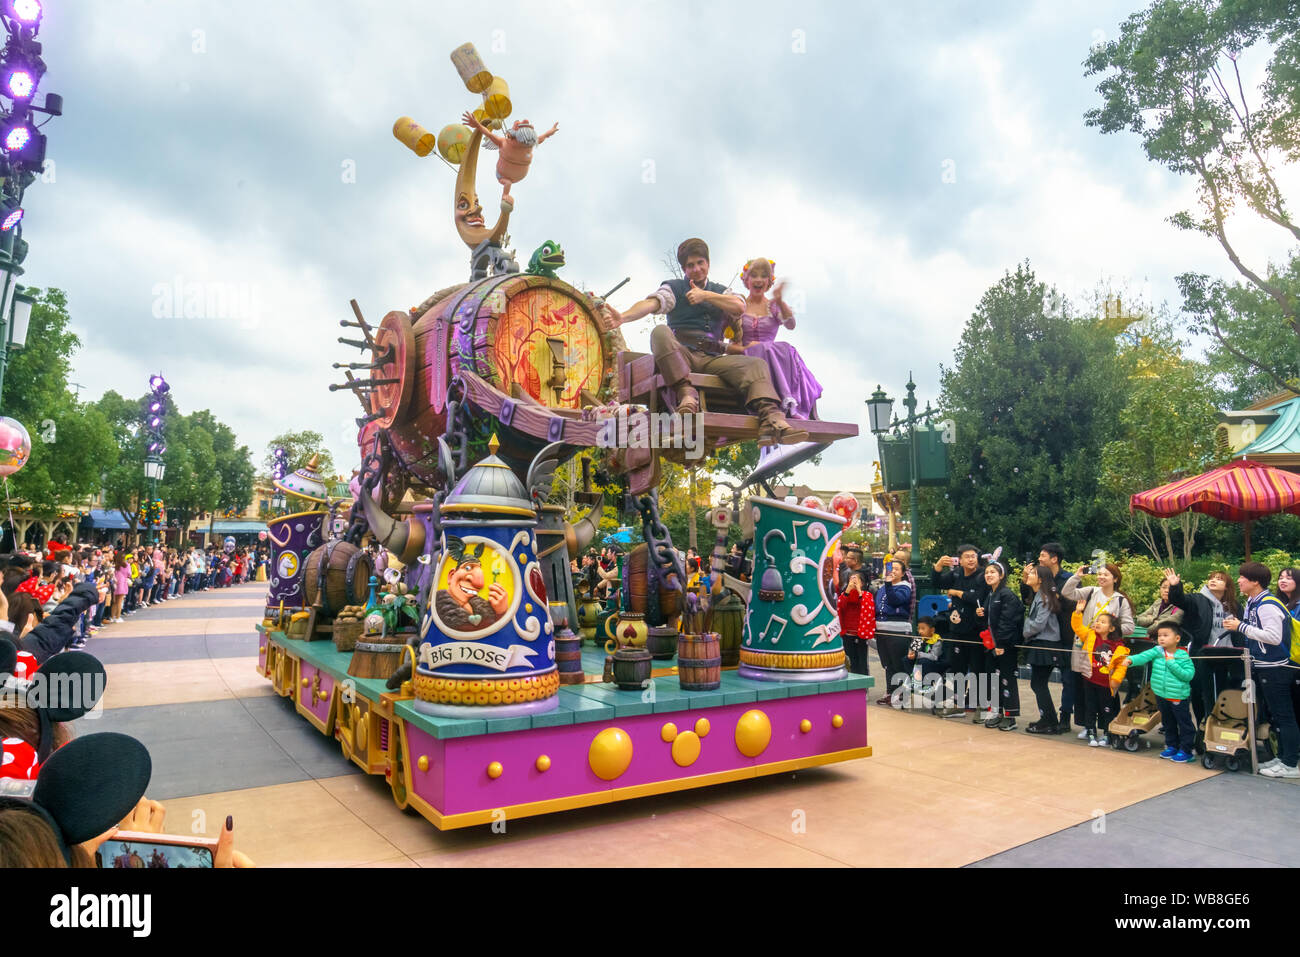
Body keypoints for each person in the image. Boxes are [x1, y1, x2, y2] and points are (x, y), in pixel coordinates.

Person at [599, 237, 808, 446]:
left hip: (713, 359)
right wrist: (623, 317)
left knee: (756, 364)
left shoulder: (720, 290)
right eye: (690, 265)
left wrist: (705, 295)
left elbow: (738, 306)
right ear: (684, 269)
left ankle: (771, 419)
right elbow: (651, 303)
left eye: (700, 263)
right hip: (682, 355)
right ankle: (686, 394)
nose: (696, 269)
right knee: (660, 332)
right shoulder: (674, 288)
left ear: (708, 264)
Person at [1223, 562, 1299, 778]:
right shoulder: (1253, 602)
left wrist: (1241, 627)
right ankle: (1283, 757)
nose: (1238, 581)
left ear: (1255, 581)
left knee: (1284, 716)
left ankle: (1291, 764)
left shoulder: (1267, 605)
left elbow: (1274, 637)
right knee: (1276, 715)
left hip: (1276, 667)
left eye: (1242, 577)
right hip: (1264, 665)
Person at [734, 257, 822, 420]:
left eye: (763, 275)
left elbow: (790, 324)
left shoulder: (773, 306)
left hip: (771, 360)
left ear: (769, 281)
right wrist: (747, 347)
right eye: (754, 275)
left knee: (784, 347)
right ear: (746, 279)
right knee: (763, 349)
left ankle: (788, 404)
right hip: (746, 360)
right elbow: (731, 343)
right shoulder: (739, 305)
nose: (759, 279)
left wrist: (780, 300)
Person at [1163, 568, 1241, 731]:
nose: (1213, 580)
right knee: (1199, 690)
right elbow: (1179, 600)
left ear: (1227, 586)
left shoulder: (1234, 606)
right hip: (1202, 652)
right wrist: (1175, 586)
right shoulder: (1198, 599)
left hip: (1228, 654)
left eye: (1219, 579)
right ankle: (1203, 725)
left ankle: (1221, 724)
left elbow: (1241, 630)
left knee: (1223, 690)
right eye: (1211, 578)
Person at [1114, 622, 1196, 763]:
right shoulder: (1157, 651)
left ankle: (1186, 750)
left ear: (1177, 638)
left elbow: (1188, 675)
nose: (1162, 638)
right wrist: (1131, 660)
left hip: (1177, 696)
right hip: (1160, 694)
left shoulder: (1182, 655)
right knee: (1167, 722)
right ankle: (1171, 746)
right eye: (1159, 636)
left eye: (1165, 635)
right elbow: (1143, 656)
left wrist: (1172, 663)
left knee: (1183, 722)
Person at [932, 546, 989, 717]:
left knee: (978, 668)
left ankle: (978, 703)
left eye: (974, 556)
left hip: (976, 630)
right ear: (960, 560)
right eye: (967, 557)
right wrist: (937, 567)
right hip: (956, 630)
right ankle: (958, 703)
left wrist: (957, 592)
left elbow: (977, 597)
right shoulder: (956, 574)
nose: (971, 559)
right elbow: (937, 583)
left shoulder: (982, 575)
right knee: (958, 668)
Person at [1069, 604, 1130, 747]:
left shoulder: (1119, 646)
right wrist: (1078, 612)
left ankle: (1108, 734)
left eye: (1103, 622)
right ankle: (1091, 731)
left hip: (1106, 684)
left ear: (1112, 628)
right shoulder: (1090, 635)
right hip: (1090, 679)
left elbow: (1122, 666)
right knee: (1090, 707)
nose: (1098, 623)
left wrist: (1116, 680)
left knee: (1107, 709)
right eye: (1097, 621)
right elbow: (1078, 628)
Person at [1038, 543, 1080, 733]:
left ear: (1054, 559)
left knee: (1068, 679)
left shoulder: (1070, 579)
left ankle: (1065, 717)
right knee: (1039, 679)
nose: (1040, 559)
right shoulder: (1040, 578)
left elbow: (1072, 605)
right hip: (1046, 637)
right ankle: (1047, 716)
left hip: (1066, 636)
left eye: (1043, 556)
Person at [978, 560, 1023, 731]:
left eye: (993, 572)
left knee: (1007, 679)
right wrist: (980, 614)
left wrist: (1002, 643)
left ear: (1001, 575)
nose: (988, 575)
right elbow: (989, 622)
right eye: (987, 572)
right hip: (992, 646)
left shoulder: (1006, 595)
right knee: (994, 678)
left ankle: (1010, 716)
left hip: (1005, 646)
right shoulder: (991, 595)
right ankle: (996, 712)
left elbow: (1008, 622)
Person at [1023, 563, 1066, 734]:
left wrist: (1025, 630)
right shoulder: (1040, 595)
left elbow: (1038, 624)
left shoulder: (1045, 597)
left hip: (1046, 644)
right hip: (1043, 643)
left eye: (1032, 573)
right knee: (1038, 683)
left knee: (1038, 683)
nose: (1029, 575)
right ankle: (1049, 719)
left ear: (1040, 579)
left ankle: (1049, 720)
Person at [874, 561, 913, 704]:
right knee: (887, 663)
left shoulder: (905, 587)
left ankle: (901, 694)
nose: (892, 571)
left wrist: (889, 585)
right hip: (881, 628)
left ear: (903, 573)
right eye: (890, 568)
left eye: (896, 569)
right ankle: (890, 692)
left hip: (897, 629)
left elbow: (896, 600)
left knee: (898, 663)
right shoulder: (883, 587)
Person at [837, 569, 875, 678]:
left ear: (862, 583)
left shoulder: (867, 595)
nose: (853, 582)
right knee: (850, 662)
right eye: (851, 580)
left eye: (856, 580)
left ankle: (863, 688)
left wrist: (859, 590)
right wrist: (848, 590)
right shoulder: (845, 595)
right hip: (847, 634)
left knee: (862, 663)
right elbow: (841, 607)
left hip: (861, 635)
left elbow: (866, 606)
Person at [908, 616, 945, 711]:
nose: (920, 631)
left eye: (923, 628)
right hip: (918, 665)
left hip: (933, 665)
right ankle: (911, 681)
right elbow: (912, 651)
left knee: (923, 661)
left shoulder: (937, 641)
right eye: (919, 628)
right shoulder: (918, 639)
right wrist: (911, 654)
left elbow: (934, 656)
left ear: (932, 630)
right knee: (905, 660)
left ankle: (922, 683)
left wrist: (918, 654)